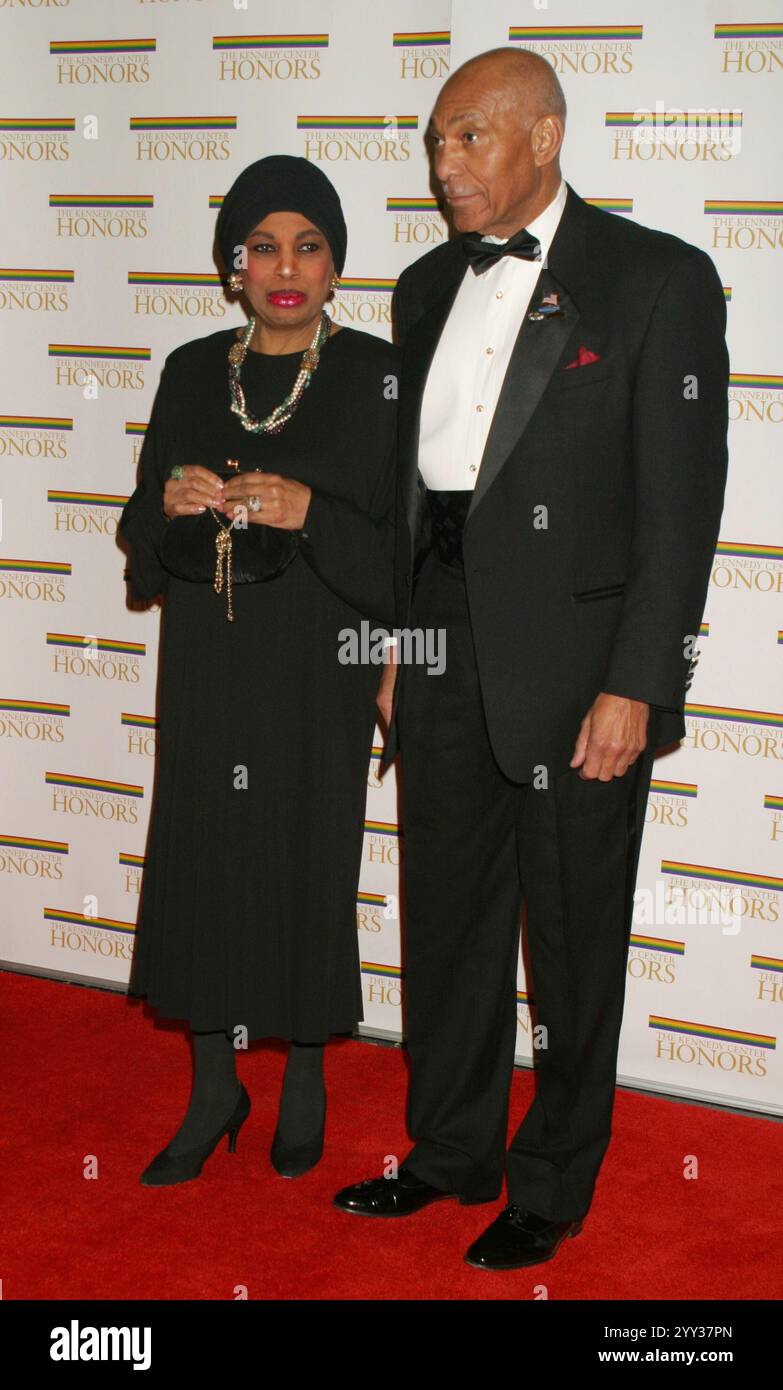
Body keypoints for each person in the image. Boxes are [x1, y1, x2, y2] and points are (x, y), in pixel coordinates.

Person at [334, 48, 729, 1270]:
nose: (443, 165)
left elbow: (681, 504)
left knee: (569, 941)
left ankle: (554, 1180)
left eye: (468, 139)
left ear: (545, 137)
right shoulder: (415, 286)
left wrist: (641, 681)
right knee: (447, 923)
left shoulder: (657, 279)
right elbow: (412, 498)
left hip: (580, 664)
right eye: (435, 143)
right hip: (442, 635)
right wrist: (401, 645)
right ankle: (451, 1153)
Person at [118, 155, 398, 1187]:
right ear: (232, 266)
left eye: (309, 246)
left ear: (334, 265)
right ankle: (212, 1090)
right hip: (208, 658)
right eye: (264, 247)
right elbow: (138, 529)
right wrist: (175, 504)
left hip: (319, 665)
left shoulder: (374, 374)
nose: (287, 267)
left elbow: (410, 548)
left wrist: (311, 512)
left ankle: (308, 1081)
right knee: (200, 855)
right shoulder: (193, 369)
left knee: (305, 859)